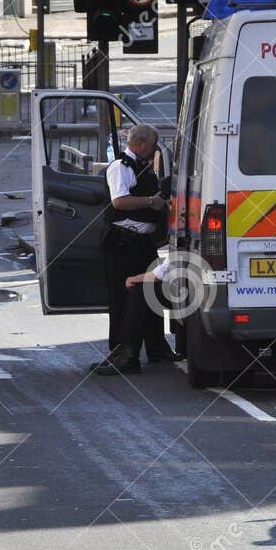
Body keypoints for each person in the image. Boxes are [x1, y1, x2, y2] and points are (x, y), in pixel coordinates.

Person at [90, 124, 172, 377]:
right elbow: (119, 201)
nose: (154, 150)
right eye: (153, 145)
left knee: (150, 294)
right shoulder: (120, 167)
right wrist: (151, 202)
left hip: (143, 242)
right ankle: (121, 354)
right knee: (121, 299)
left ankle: (157, 349)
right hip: (122, 242)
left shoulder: (145, 168)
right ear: (142, 144)